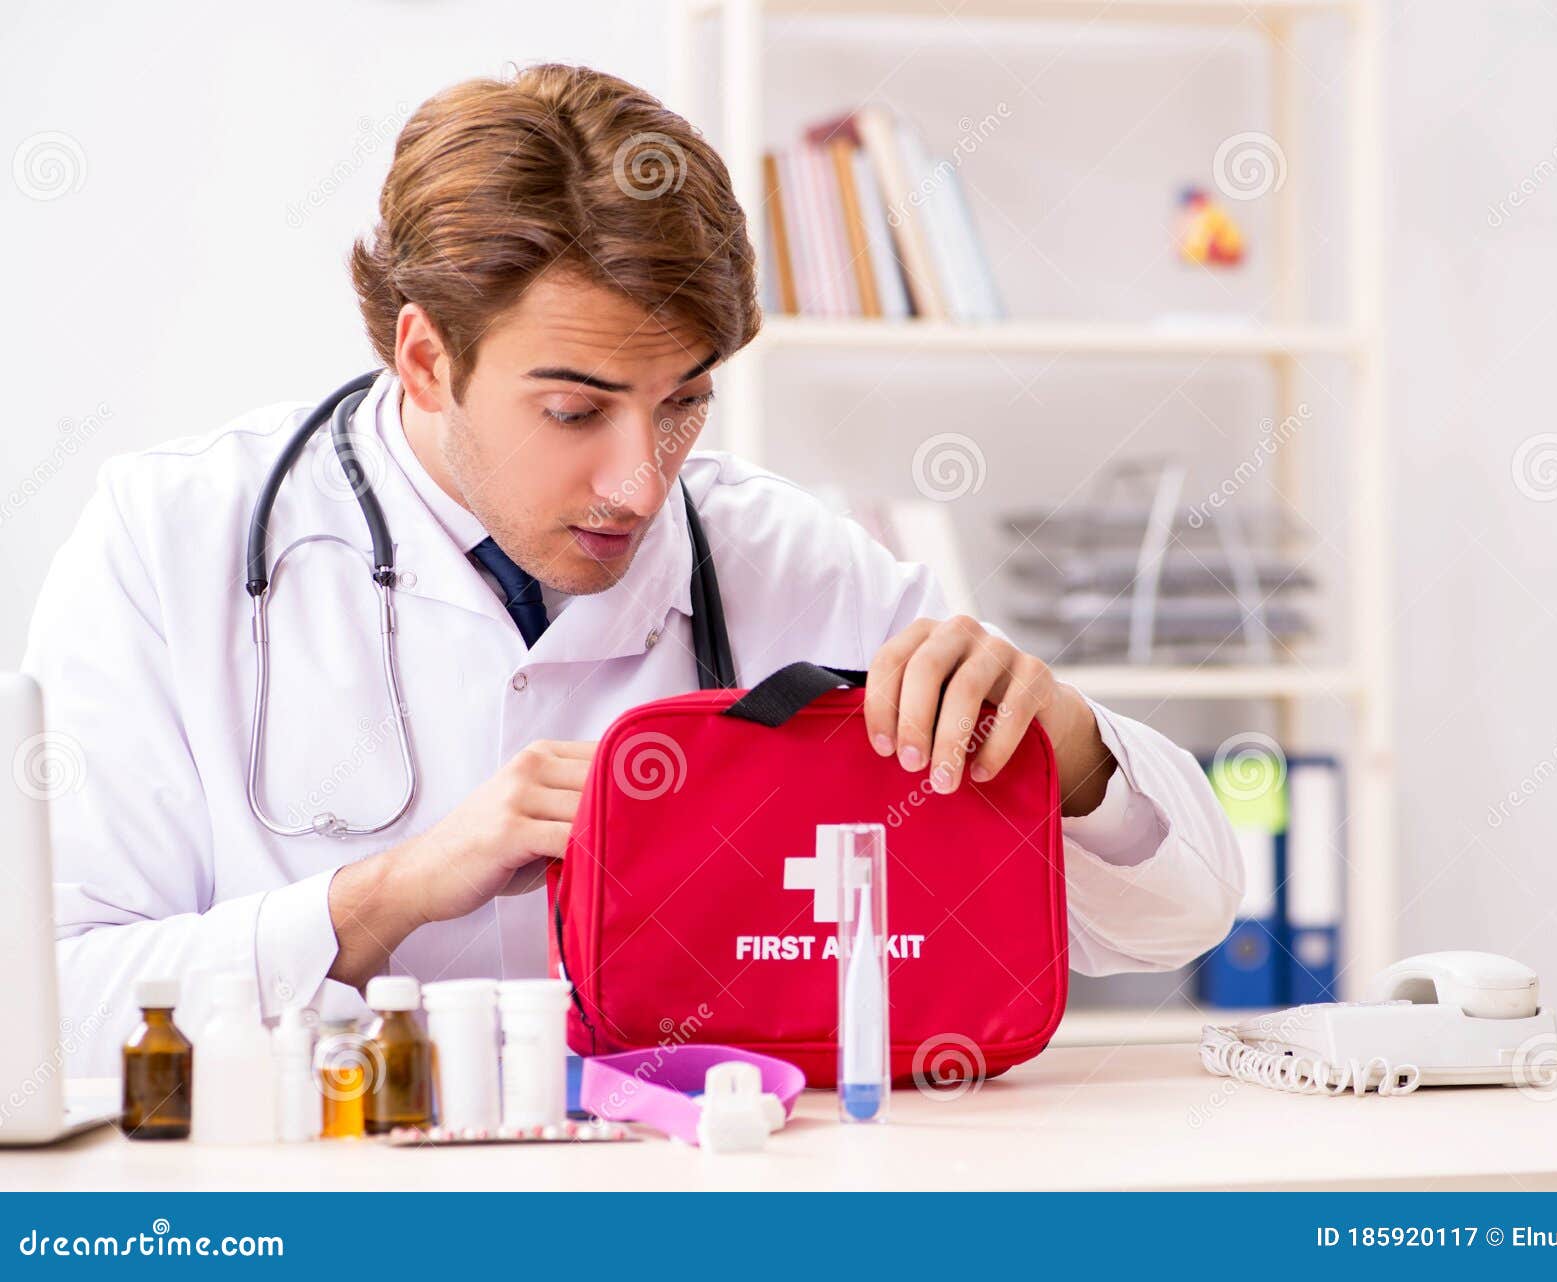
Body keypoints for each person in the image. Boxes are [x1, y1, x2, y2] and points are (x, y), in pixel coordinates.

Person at [23, 64, 1242, 1072]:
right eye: (574, 411)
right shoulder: (172, 542)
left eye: (684, 403)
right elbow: (50, 1003)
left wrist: (1070, 754)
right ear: (426, 358)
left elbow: (1176, 918)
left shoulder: (780, 560)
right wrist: (387, 893)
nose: (640, 483)